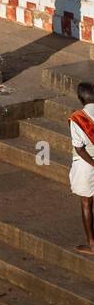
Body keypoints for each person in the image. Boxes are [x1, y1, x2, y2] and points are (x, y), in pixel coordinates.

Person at [70, 83, 94, 254]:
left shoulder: (78, 118)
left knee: (87, 203)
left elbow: (79, 148)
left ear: (80, 99)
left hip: (87, 165)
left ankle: (92, 244)